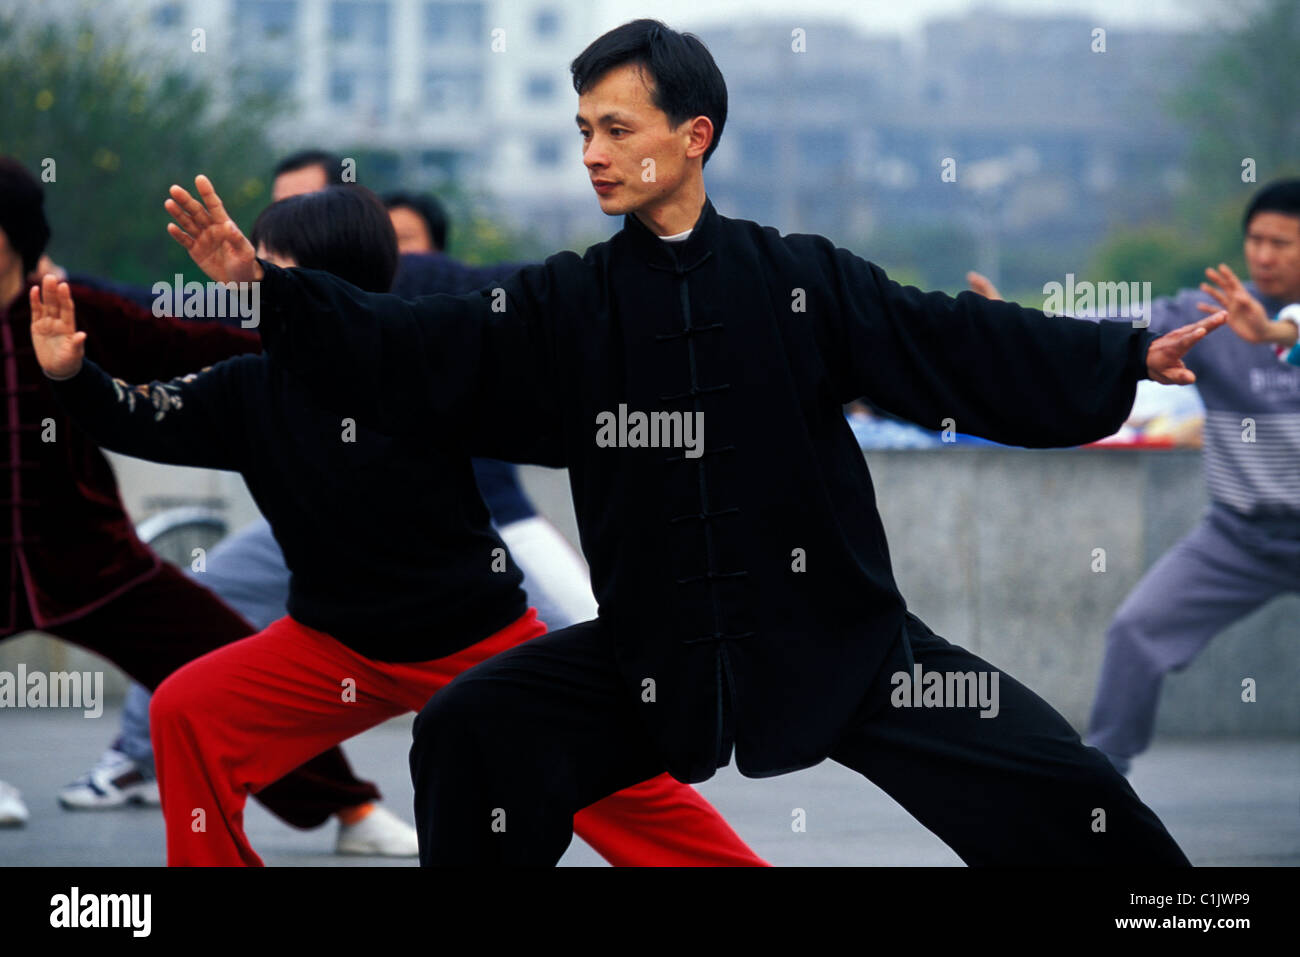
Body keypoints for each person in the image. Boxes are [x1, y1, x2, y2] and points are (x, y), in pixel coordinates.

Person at [155, 20, 1220, 866]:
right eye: (581, 130)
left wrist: (1124, 356)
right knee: (475, 731)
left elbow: (944, 335)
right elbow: (418, 344)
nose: (592, 154)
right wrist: (271, 296)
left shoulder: (799, 279)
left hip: (835, 638)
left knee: (1061, 789)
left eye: (616, 129)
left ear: (692, 134)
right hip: (653, 653)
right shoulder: (569, 303)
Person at [33, 183, 765, 867]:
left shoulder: (421, 362)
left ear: (332, 284)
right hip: (330, 647)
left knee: (620, 789)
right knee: (189, 709)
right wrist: (72, 376)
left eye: (266, 269)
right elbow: (141, 418)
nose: (245, 284)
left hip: (476, 644)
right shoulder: (246, 387)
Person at [0, 156, 404, 853]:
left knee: (222, 662)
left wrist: (304, 331)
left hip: (88, 555)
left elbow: (189, 343)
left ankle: (351, 810)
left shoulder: (71, 307)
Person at [968, 179, 1300, 777]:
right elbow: (1110, 323)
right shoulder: (1213, 318)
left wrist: (1280, 334)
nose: (1265, 255)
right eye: (1256, 240)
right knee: (1136, 633)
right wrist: (1020, 325)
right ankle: (1101, 790)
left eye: (1282, 243)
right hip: (1241, 538)